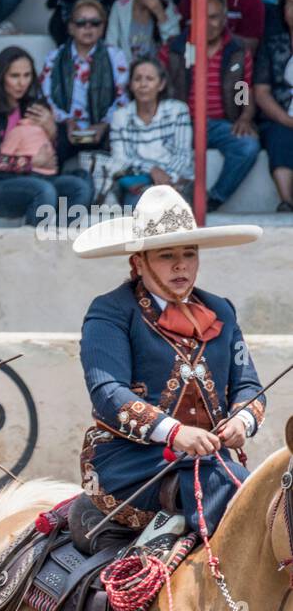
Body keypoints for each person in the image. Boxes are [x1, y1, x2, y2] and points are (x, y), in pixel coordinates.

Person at [72, 184, 264, 539]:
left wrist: (243, 420)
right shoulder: (110, 311)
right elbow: (107, 392)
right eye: (165, 255)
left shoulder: (221, 309)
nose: (180, 265)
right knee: (226, 487)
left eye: (189, 254)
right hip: (132, 462)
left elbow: (248, 385)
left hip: (212, 462)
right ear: (138, 262)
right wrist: (174, 432)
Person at [0, 46, 94, 227]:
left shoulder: (34, 105)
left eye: (27, 75)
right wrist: (31, 162)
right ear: (1, 76)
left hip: (38, 177)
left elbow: (57, 159)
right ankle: (36, 248)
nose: (22, 83)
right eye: (15, 76)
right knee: (44, 191)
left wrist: (53, 131)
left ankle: (62, 242)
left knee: (79, 187)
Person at [161, 0, 259, 212]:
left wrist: (245, 117)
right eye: (202, 16)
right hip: (182, 126)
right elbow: (159, 89)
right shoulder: (175, 48)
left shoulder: (237, 49)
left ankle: (212, 199)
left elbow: (244, 89)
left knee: (248, 146)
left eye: (214, 17)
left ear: (224, 19)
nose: (209, 23)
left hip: (222, 125)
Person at [40, 0, 131, 163]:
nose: (88, 27)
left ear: (103, 27)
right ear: (71, 28)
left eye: (95, 22)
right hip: (64, 128)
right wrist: (67, 121)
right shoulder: (54, 58)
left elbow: (122, 98)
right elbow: (47, 98)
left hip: (105, 129)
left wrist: (104, 125)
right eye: (81, 22)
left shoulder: (115, 57)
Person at [109, 57, 194, 203]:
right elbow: (120, 159)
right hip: (141, 184)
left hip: (176, 181)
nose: (143, 84)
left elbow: (183, 155)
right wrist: (152, 170)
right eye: (137, 79)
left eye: (149, 79)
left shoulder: (178, 110)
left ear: (161, 85)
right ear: (130, 85)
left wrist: (167, 178)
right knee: (139, 206)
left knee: (174, 210)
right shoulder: (120, 116)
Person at [254, 0, 293, 211]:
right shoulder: (271, 45)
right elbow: (259, 91)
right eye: (290, 4)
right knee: (279, 138)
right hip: (280, 117)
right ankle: (287, 201)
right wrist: (287, 121)